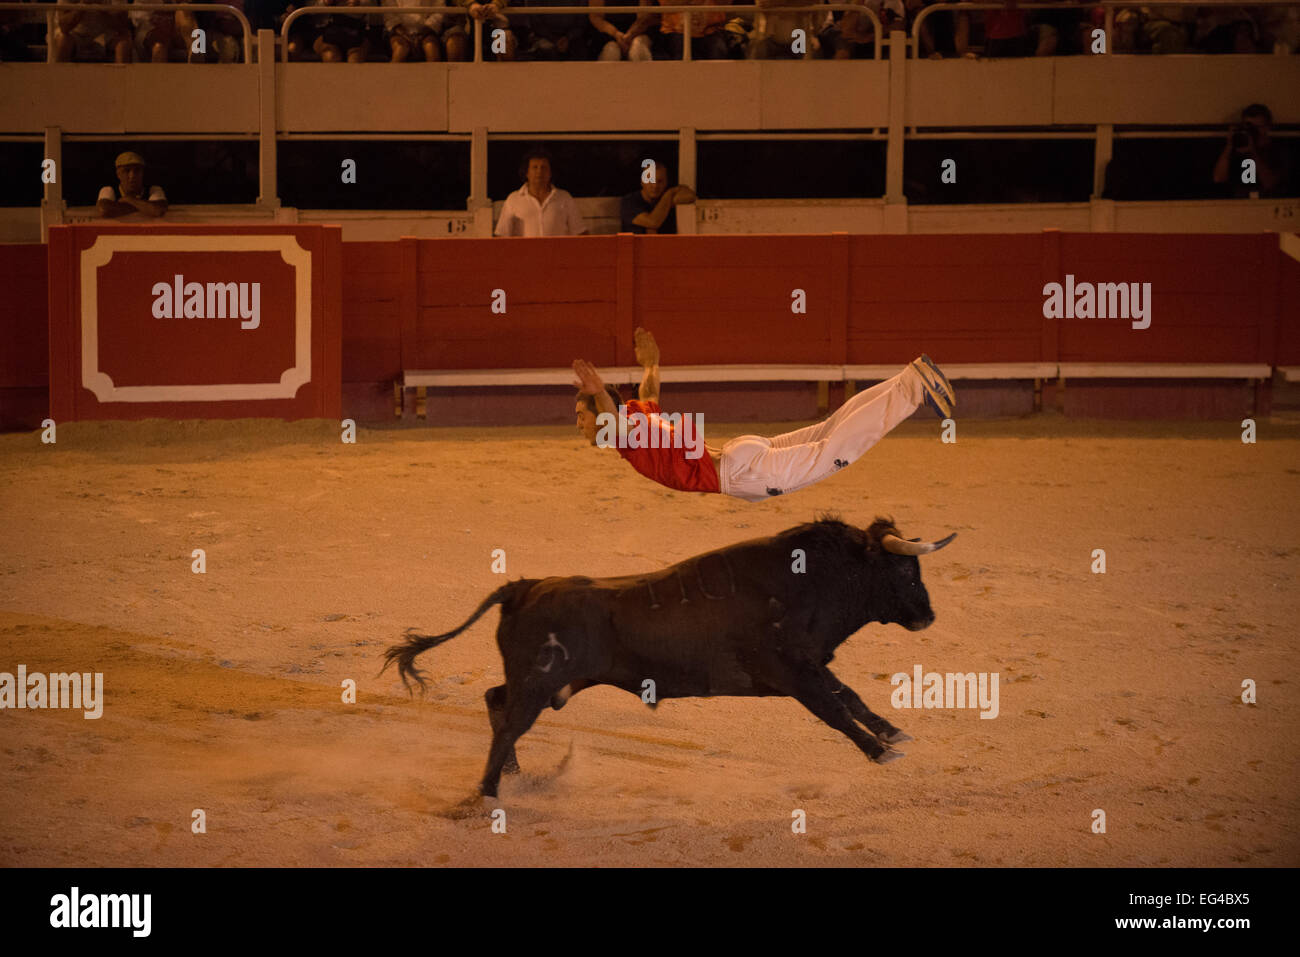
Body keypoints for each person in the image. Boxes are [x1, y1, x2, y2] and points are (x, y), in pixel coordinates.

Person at [572, 328, 956, 502]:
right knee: (831, 429)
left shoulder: (625, 433)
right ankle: (908, 377)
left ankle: (912, 387)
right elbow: (649, 390)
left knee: (838, 446)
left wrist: (599, 395)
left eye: (581, 417)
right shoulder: (639, 414)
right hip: (742, 454)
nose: (579, 425)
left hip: (740, 474)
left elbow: (611, 417)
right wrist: (652, 363)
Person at [495, 147, 586, 236]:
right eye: (535, 167)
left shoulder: (564, 198)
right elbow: (502, 235)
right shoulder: (513, 200)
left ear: (550, 172)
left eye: (544, 168)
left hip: (557, 251)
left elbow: (580, 232)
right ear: (527, 172)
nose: (539, 171)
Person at [1213, 104, 1291, 198]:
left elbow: (1270, 184)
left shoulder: (1278, 150)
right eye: (1249, 127)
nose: (1253, 131)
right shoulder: (1237, 149)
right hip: (1240, 204)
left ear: (1268, 127)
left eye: (1257, 127)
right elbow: (1219, 178)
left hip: (1268, 204)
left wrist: (1253, 152)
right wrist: (1229, 145)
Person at [619, 158, 695, 234]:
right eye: (650, 180)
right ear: (642, 181)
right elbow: (653, 222)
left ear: (666, 182)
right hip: (636, 245)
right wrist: (669, 194)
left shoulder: (666, 195)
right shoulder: (629, 201)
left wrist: (671, 194)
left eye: (660, 181)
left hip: (666, 244)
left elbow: (691, 196)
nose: (655, 186)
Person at [97, 151, 168, 218]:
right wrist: (144, 207)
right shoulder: (108, 190)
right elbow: (104, 210)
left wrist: (129, 199)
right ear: (118, 174)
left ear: (142, 173)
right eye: (126, 171)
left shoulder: (154, 190)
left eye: (137, 170)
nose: (132, 175)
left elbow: (158, 210)